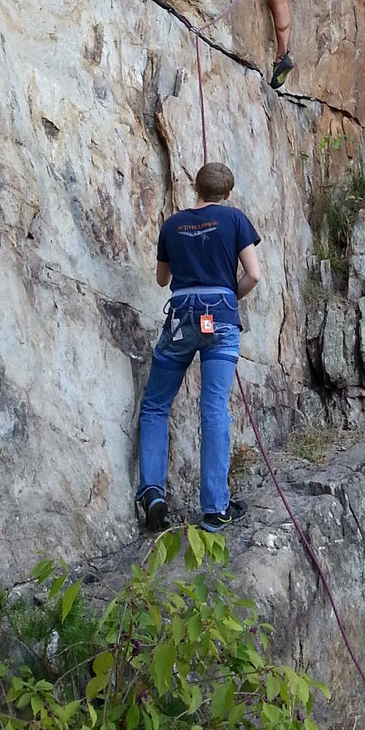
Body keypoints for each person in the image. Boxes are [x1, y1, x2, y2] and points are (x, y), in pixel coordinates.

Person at [136, 161, 261, 532]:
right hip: (220, 315)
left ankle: (153, 494)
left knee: (156, 404)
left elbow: (162, 279)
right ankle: (214, 508)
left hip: (180, 316)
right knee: (214, 408)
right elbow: (253, 274)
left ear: (195, 189)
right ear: (228, 192)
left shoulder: (172, 224)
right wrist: (228, 297)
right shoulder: (235, 219)